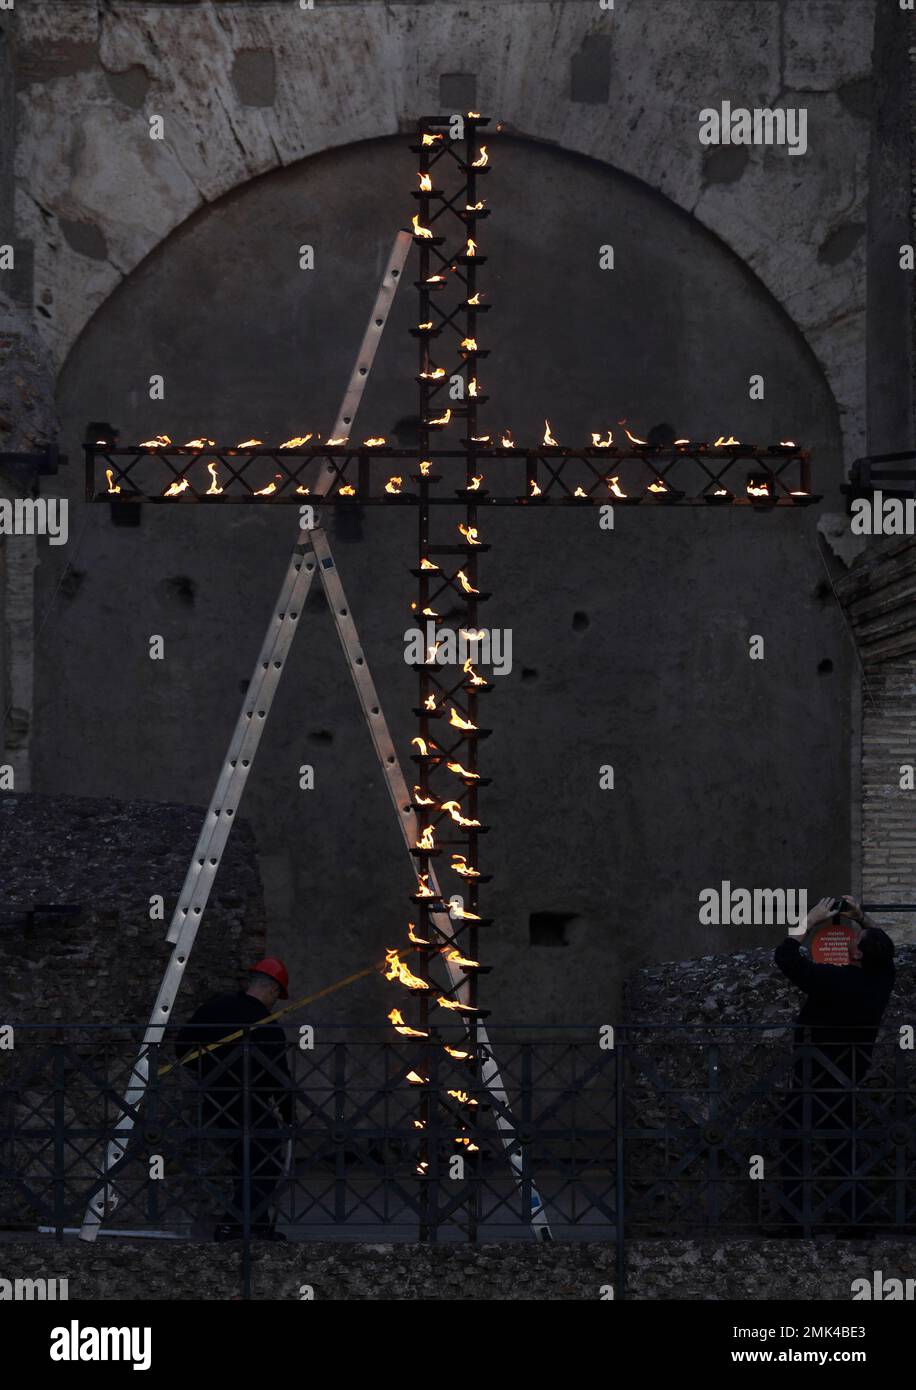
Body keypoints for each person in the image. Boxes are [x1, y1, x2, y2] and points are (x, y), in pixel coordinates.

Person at [772, 896, 895, 1234]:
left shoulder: (834, 980)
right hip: (849, 1075)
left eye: (856, 941)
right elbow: (886, 949)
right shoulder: (881, 981)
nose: (852, 940)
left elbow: (785, 957)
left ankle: (793, 1222)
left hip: (814, 1076)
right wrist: (863, 918)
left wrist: (807, 923)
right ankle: (854, 1220)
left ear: (856, 955)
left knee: (794, 1143)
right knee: (843, 1147)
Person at [176, 957, 294, 1241]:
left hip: (216, 1101)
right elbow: (278, 1078)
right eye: (277, 996)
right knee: (265, 1162)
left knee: (246, 1162)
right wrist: (288, 1115)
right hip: (250, 1103)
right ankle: (237, 1224)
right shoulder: (267, 1025)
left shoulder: (215, 1007)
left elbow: (182, 1049)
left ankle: (256, 1224)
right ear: (273, 991)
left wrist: (211, 1073)